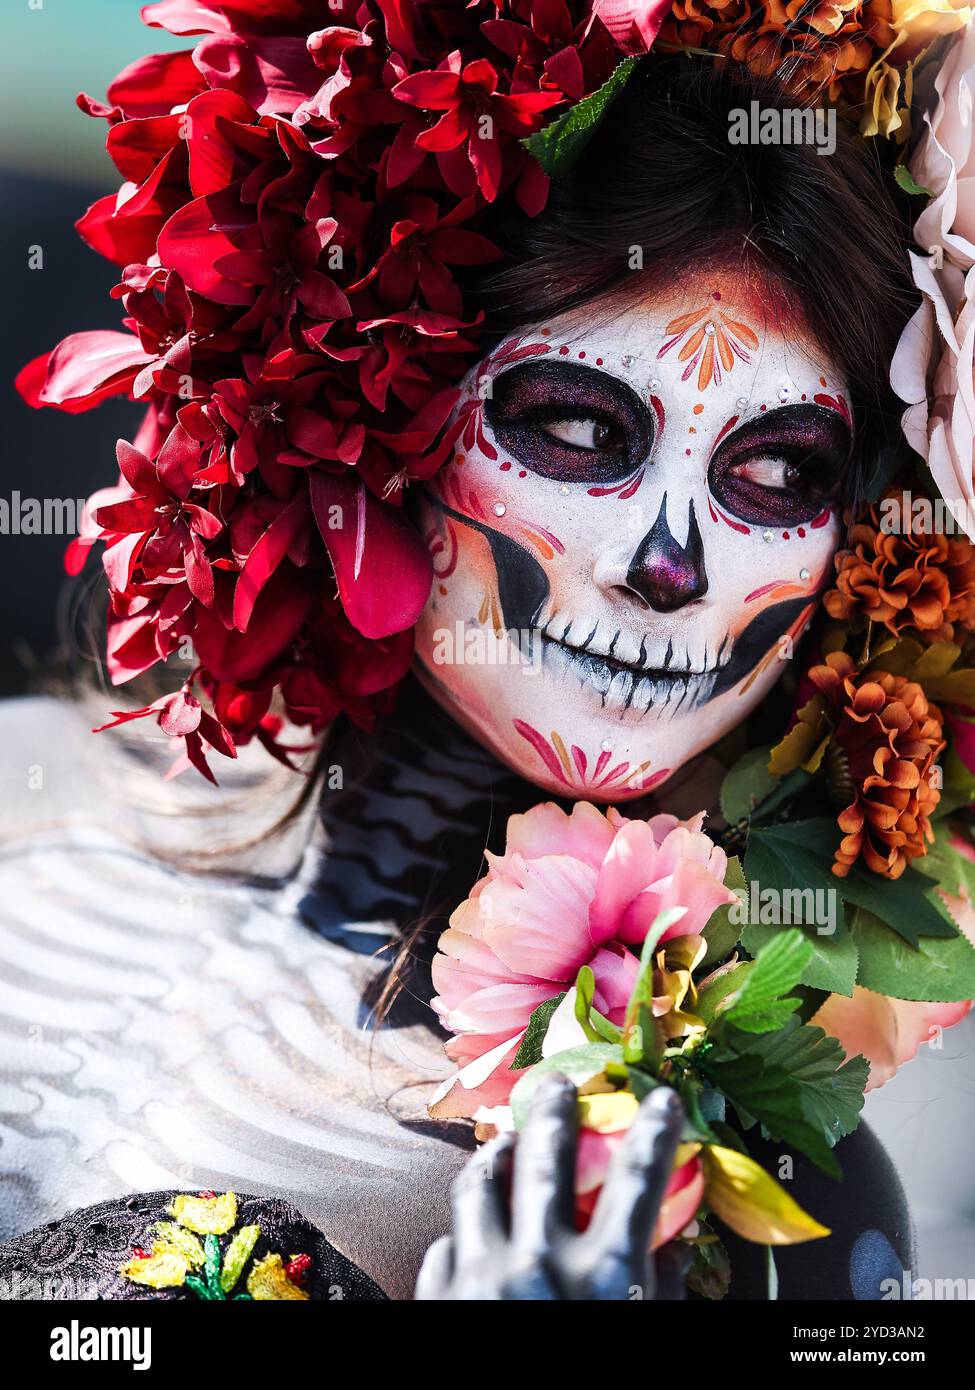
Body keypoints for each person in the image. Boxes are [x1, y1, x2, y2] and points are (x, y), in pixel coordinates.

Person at [0, 58, 923, 1300]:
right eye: (583, 427)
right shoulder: (25, 781)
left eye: (775, 475)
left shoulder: (750, 1181)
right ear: (363, 397)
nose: (669, 566)